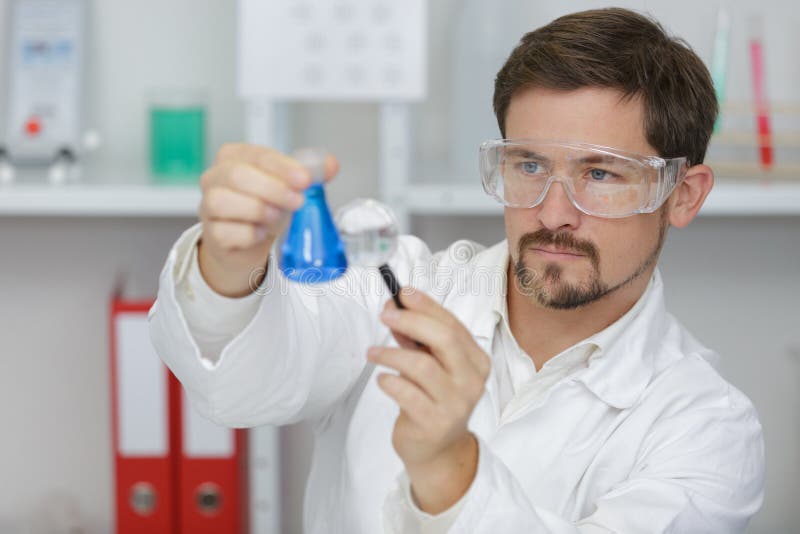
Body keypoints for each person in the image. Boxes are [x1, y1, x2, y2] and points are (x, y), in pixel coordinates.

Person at [149, 7, 764, 533]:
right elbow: (235, 387)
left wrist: (450, 469)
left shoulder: (707, 430)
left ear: (683, 195)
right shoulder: (400, 285)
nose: (554, 214)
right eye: (528, 166)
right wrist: (228, 269)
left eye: (600, 174)